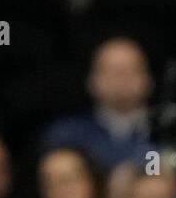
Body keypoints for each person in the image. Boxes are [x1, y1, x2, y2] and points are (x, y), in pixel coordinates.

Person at [41, 37, 156, 173]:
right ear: (92, 80)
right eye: (113, 71)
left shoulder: (170, 132)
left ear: (148, 78)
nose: (123, 79)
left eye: (132, 69)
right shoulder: (66, 136)